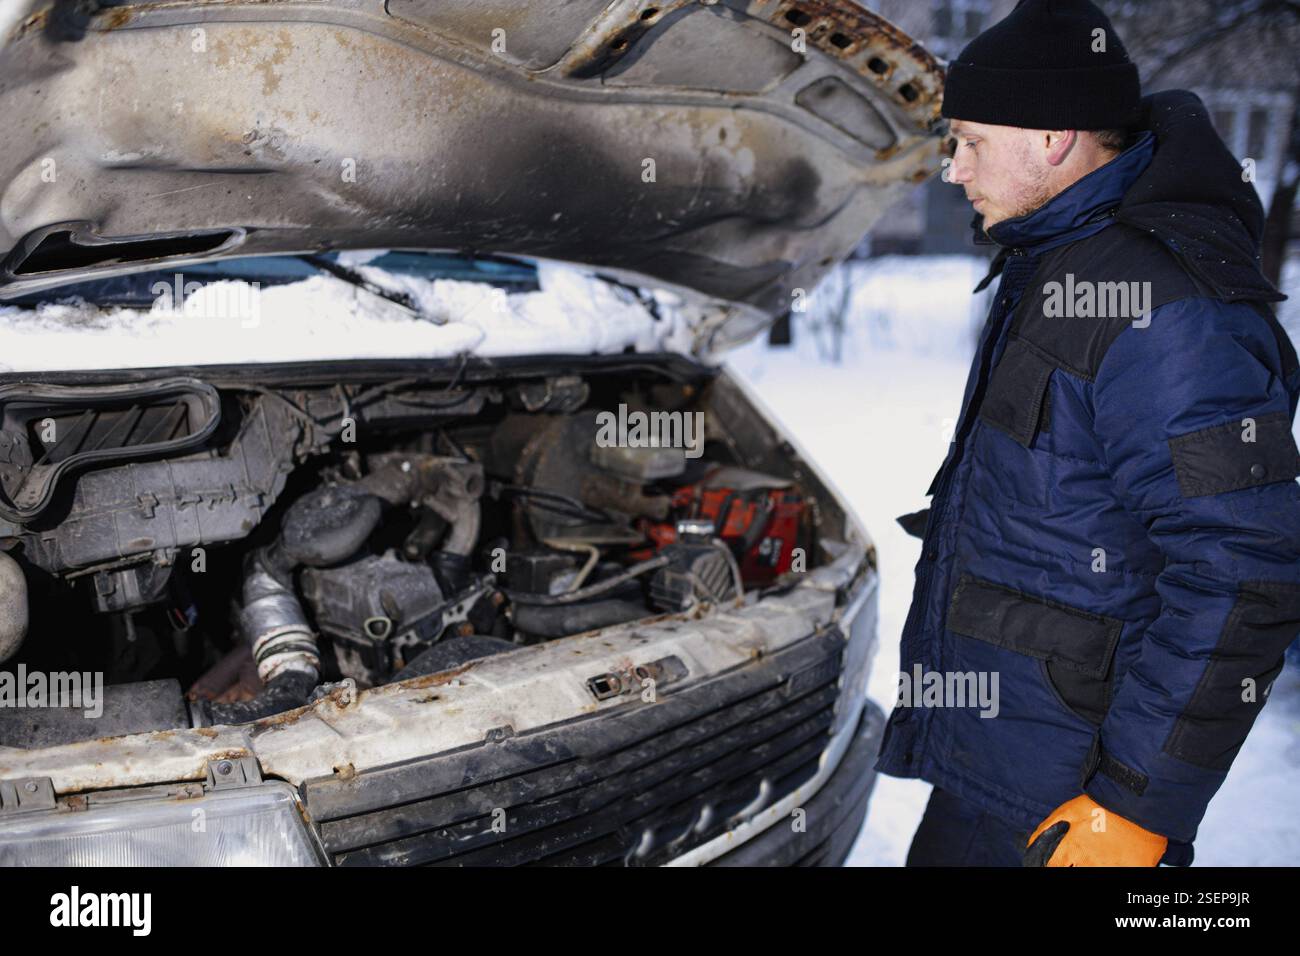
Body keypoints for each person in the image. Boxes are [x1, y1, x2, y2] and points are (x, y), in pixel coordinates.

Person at [875, 0, 1300, 867]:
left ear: (1054, 137)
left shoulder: (1165, 308)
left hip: (1080, 798)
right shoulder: (1062, 262)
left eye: (969, 140)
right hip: (1004, 760)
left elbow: (1242, 569)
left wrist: (1136, 805)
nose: (953, 169)